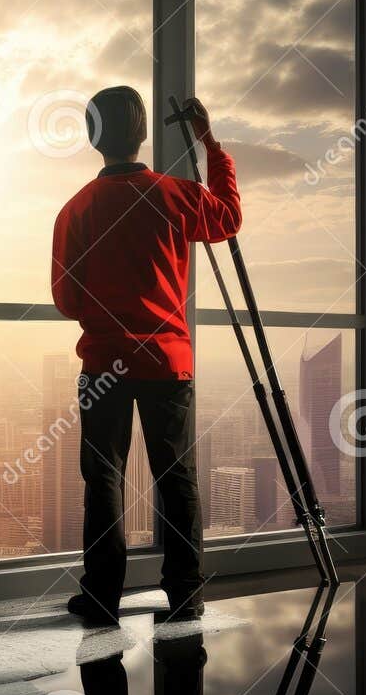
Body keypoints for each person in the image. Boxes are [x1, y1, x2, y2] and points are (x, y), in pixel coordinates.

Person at [50, 86, 241, 626]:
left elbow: (66, 299)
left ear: (94, 138)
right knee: (176, 478)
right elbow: (227, 220)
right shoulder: (177, 195)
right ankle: (185, 594)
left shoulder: (76, 211)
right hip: (167, 362)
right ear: (142, 135)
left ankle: (102, 596)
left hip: (105, 364)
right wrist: (210, 142)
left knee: (104, 477)